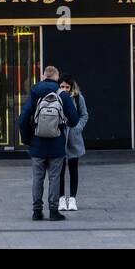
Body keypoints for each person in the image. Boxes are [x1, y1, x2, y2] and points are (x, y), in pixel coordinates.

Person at [17, 64, 79, 221]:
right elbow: (74, 120)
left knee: (37, 178)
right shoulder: (62, 95)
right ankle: (53, 211)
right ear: (57, 78)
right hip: (57, 145)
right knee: (54, 178)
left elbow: (23, 119)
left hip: (37, 144)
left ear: (44, 76)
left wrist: (27, 139)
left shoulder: (34, 93)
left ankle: (37, 211)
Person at [56, 74, 87, 213]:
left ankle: (73, 198)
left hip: (74, 137)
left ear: (71, 87)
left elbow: (84, 115)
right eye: (62, 86)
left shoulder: (78, 97)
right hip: (60, 135)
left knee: (73, 168)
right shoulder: (55, 97)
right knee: (60, 170)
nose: (64, 89)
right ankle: (61, 198)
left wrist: (77, 128)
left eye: (67, 87)